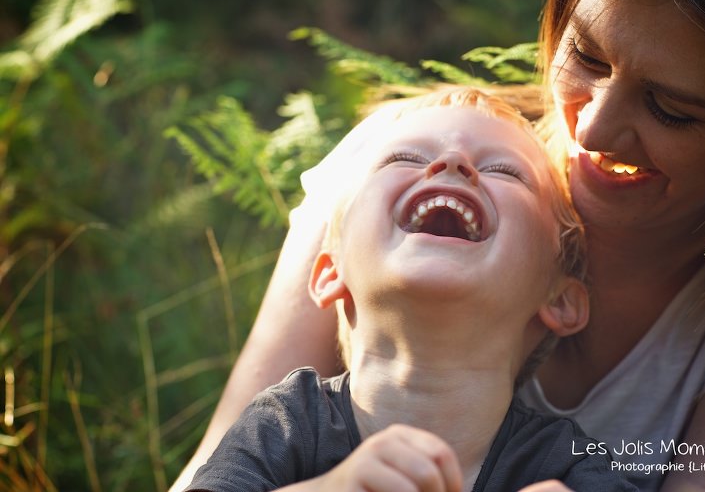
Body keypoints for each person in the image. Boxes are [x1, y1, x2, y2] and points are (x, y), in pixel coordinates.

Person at [171, 0, 705, 490]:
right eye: (587, 55)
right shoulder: (395, 159)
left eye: (671, 109)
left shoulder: (577, 462)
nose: (593, 128)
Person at [184, 87, 636, 492]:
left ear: (559, 298)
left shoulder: (568, 466)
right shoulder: (285, 424)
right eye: (405, 159)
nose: (453, 163)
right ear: (328, 272)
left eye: (503, 170)